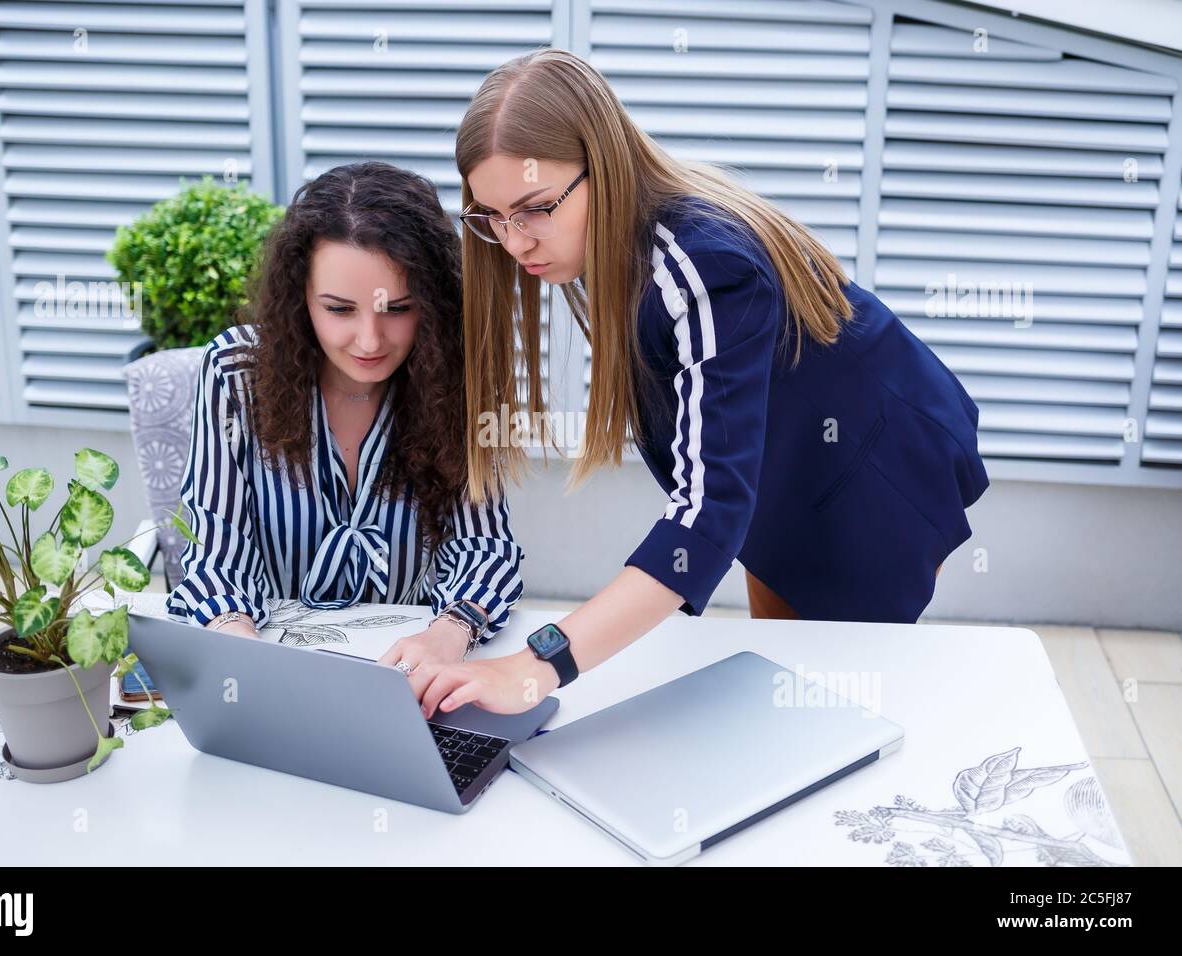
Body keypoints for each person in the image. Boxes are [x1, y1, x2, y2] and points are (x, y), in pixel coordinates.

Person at [415, 49, 989, 719]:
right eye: (492, 216)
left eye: (535, 208)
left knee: (826, 714)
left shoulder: (705, 266)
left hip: (875, 479)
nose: (514, 242)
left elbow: (706, 512)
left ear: (604, 166)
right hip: (788, 478)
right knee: (783, 693)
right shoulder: (612, 244)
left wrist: (536, 665)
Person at [166, 162, 525, 685]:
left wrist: (449, 633)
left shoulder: (460, 374)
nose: (370, 341)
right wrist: (242, 646)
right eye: (339, 310)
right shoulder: (235, 374)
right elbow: (214, 554)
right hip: (270, 661)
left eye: (398, 309)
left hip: (408, 668)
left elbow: (486, 548)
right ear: (300, 301)